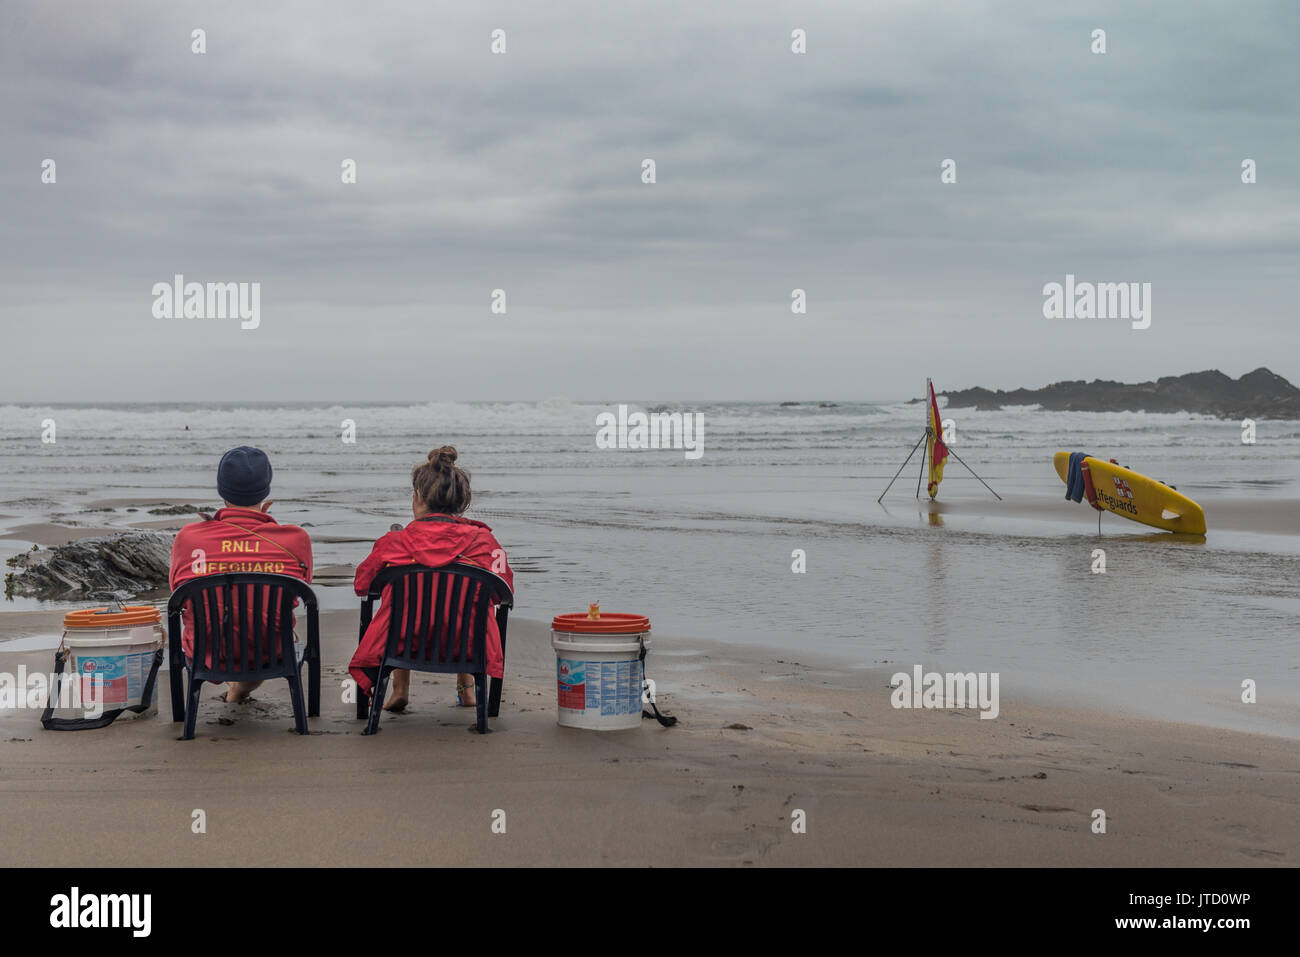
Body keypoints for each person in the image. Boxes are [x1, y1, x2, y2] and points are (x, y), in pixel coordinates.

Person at [349, 446, 513, 712]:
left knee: (402, 605)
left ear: (417, 497)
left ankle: (400, 688)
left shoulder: (394, 542)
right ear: (463, 503)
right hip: (467, 644)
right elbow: (503, 594)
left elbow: (362, 586)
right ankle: (467, 688)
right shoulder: (485, 543)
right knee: (468, 604)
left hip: (402, 643)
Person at [168, 446, 314, 702]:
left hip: (206, 652)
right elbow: (300, 593)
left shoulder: (188, 538)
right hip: (270, 653)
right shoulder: (294, 539)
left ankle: (232, 690)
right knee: (266, 625)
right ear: (266, 490)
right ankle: (240, 689)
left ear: (221, 490)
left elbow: (177, 593)